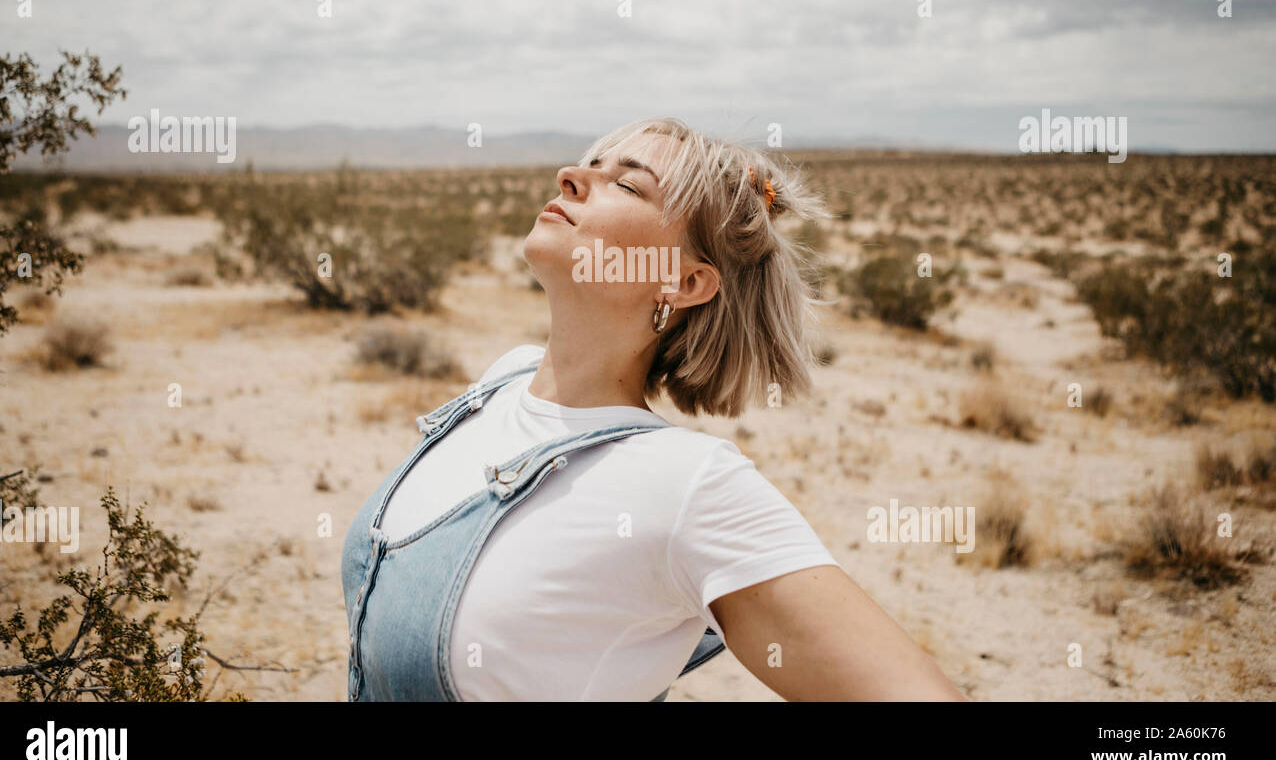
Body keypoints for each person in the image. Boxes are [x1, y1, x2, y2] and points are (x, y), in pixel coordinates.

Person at [342, 116, 967, 701]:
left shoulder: (689, 484)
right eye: (590, 163)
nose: (571, 176)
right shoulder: (503, 381)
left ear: (686, 281)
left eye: (627, 184)